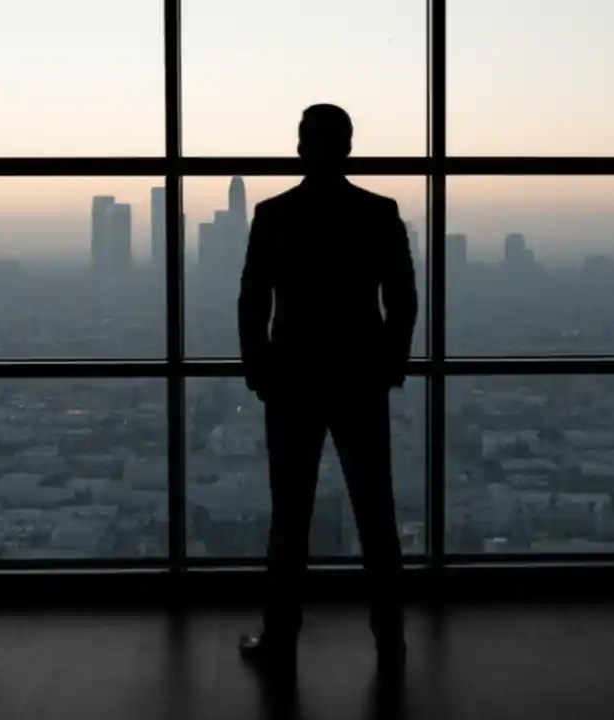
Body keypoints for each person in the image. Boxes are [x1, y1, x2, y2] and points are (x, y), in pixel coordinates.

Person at [236, 104, 419, 680]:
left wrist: (257, 367)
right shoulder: (378, 212)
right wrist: (390, 363)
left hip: (292, 377)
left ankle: (281, 635)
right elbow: (403, 299)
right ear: (349, 148)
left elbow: (253, 300)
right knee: (375, 510)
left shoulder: (274, 214)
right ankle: (390, 636)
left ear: (300, 148)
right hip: (360, 377)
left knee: (290, 513)